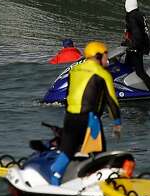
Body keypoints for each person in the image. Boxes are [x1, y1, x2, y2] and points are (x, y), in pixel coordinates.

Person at [50, 40, 122, 184]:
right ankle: (99, 184)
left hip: (70, 117)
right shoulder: (103, 74)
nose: (107, 59)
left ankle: (55, 177)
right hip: (89, 119)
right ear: (98, 56)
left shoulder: (74, 70)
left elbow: (69, 94)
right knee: (99, 154)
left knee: (68, 151)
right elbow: (112, 101)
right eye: (105, 55)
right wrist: (117, 123)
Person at [122, 0, 150, 91]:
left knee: (140, 72)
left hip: (136, 47)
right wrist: (127, 42)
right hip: (141, 45)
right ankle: (130, 87)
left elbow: (137, 33)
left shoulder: (131, 16)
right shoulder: (140, 14)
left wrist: (133, 45)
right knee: (127, 67)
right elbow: (140, 32)